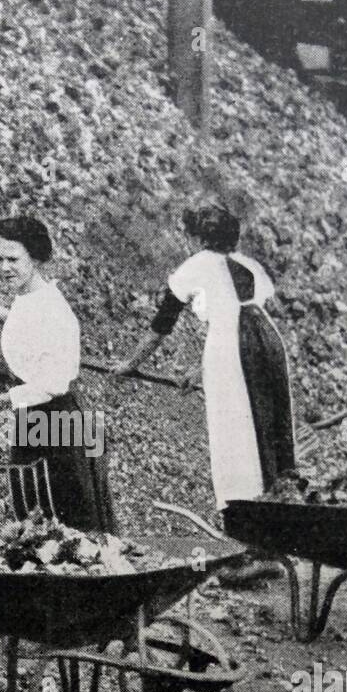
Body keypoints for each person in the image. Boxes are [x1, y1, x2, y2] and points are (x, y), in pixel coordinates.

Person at [113, 204, 303, 511]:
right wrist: (202, 369)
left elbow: (161, 327)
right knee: (270, 420)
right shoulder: (249, 264)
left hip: (232, 345)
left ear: (199, 238)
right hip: (269, 341)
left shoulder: (196, 265)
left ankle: (245, 508)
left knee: (234, 425)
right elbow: (243, 317)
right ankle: (279, 495)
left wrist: (129, 364)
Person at [0, 216, 117, 534]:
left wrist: (5, 399)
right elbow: (26, 329)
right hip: (38, 413)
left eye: (14, 259)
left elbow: (55, 380)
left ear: (35, 257)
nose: (5, 267)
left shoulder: (53, 307)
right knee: (33, 509)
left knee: (69, 516)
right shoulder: (29, 299)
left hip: (61, 420)